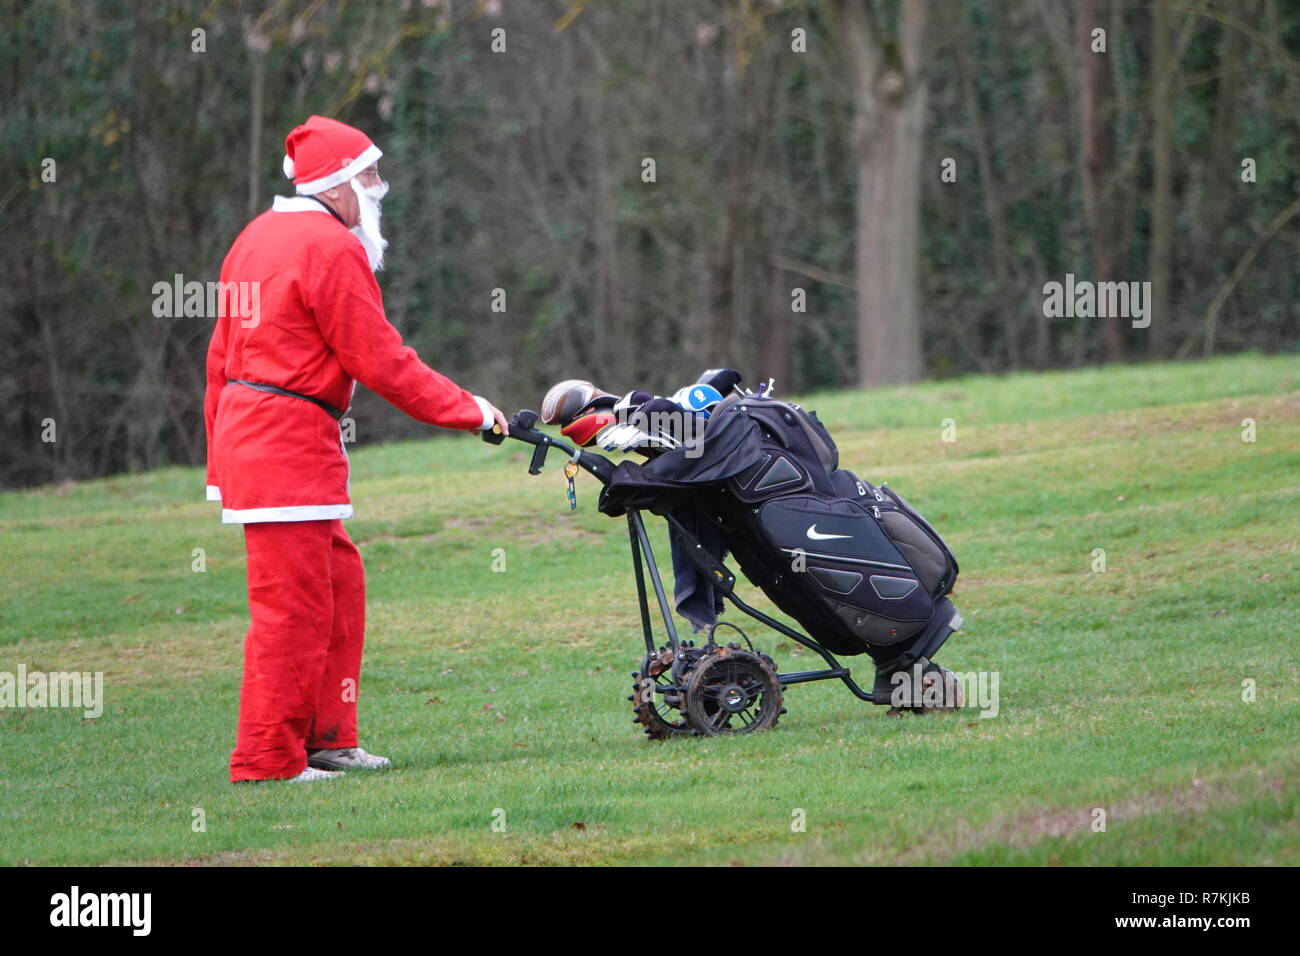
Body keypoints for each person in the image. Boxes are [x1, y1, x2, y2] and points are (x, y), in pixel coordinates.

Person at [203, 115, 508, 783]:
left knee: (339, 586)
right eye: (369, 175)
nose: (379, 186)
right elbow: (381, 360)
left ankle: (328, 739)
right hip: (286, 447)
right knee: (293, 612)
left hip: (263, 441)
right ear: (337, 185)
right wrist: (472, 412)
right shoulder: (329, 246)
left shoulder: (257, 236)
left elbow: (220, 358)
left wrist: (220, 465)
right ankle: (267, 760)